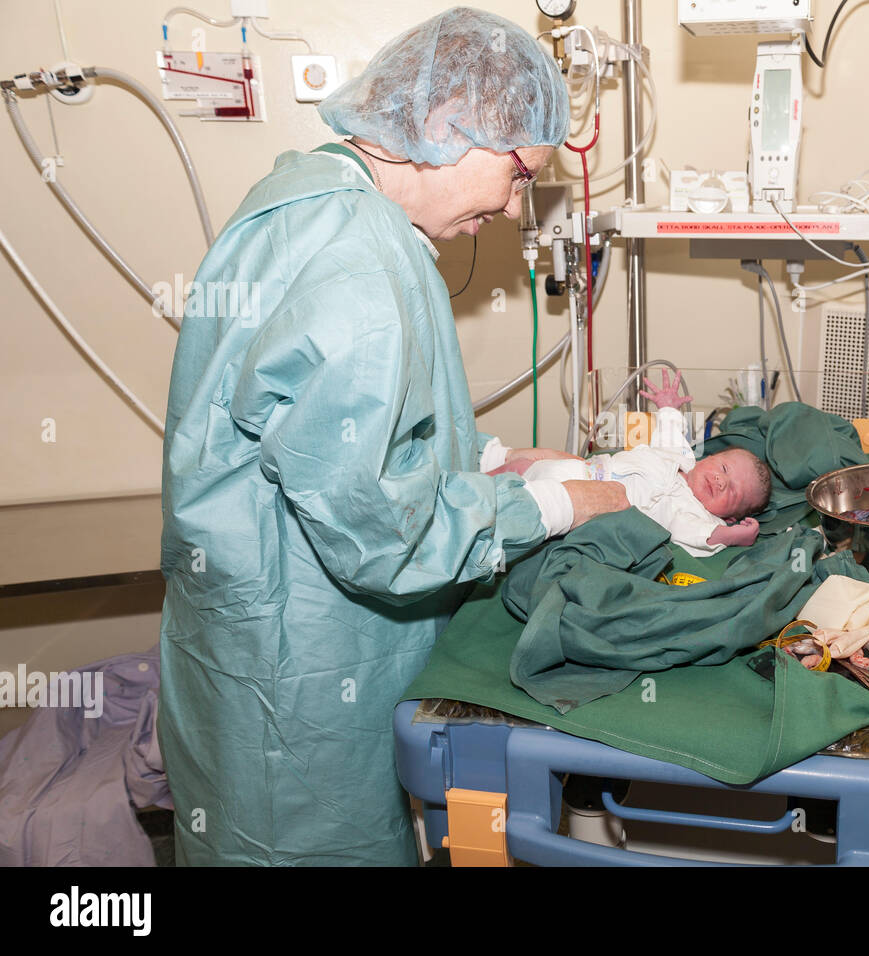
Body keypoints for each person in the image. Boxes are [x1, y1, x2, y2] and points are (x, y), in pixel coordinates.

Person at [156, 8, 627, 866]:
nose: (517, 208)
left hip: (237, 644)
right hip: (299, 687)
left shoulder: (305, 195)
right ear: (447, 126)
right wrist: (549, 506)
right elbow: (382, 532)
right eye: (521, 176)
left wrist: (482, 459)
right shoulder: (364, 269)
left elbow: (319, 431)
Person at [506, 371, 772, 555]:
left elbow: (699, 535)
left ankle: (498, 507)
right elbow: (669, 429)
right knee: (522, 466)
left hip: (588, 507)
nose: (721, 481)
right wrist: (668, 406)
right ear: (710, 457)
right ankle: (492, 477)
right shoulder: (681, 457)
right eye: (723, 468)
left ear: (731, 517)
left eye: (733, 491)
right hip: (587, 469)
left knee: (527, 505)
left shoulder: (692, 512)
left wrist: (732, 536)